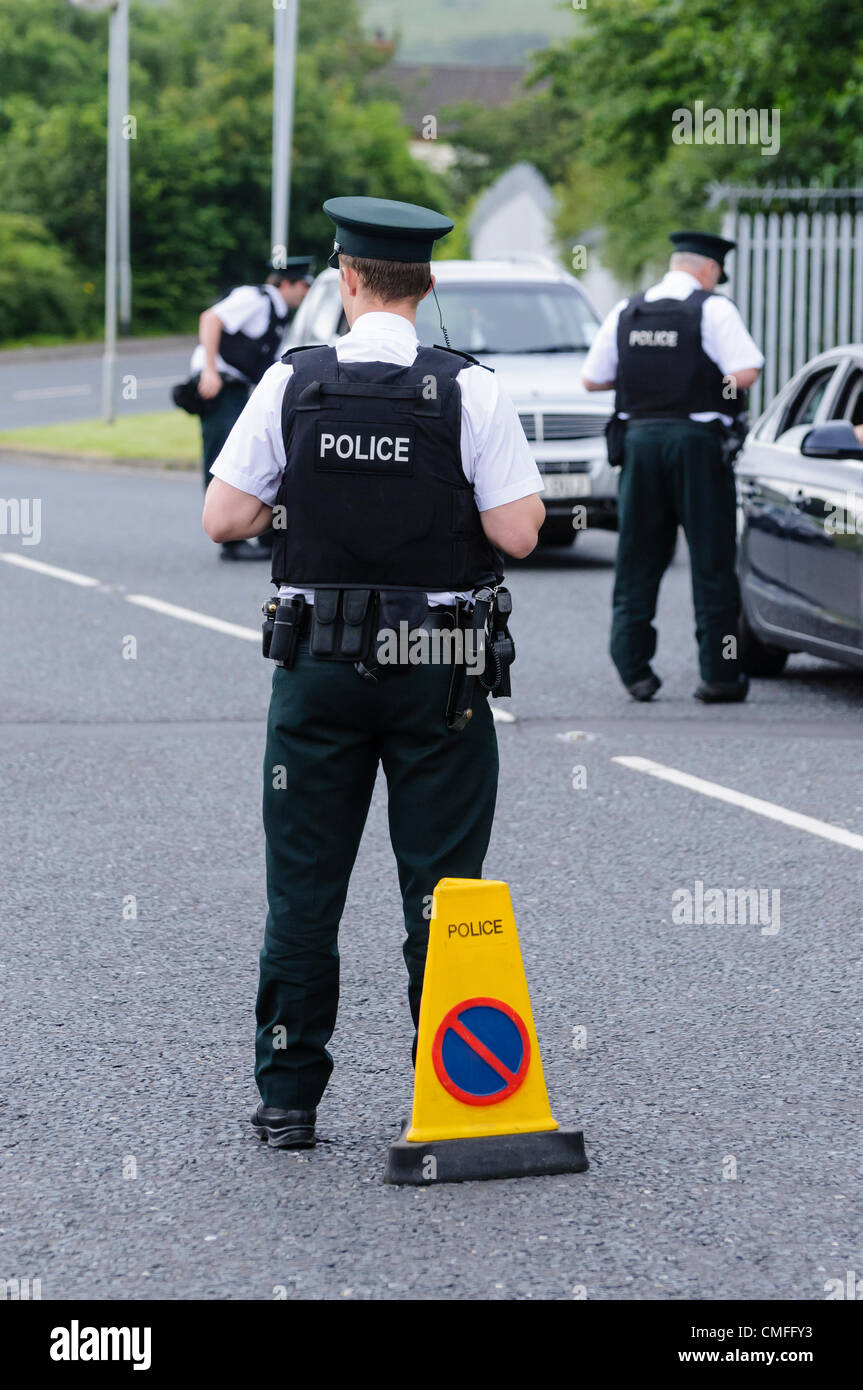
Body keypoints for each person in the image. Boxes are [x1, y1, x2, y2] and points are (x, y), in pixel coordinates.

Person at [202, 195, 545, 1149]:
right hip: (437, 664)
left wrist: (305, 508)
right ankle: (450, 1092)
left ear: (346, 281)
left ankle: (287, 1099)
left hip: (316, 658)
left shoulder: (291, 384)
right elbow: (516, 532)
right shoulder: (467, 388)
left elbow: (222, 519)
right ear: (425, 282)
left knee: (304, 888)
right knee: (439, 891)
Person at [583, 231, 764, 703]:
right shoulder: (713, 308)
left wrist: (648, 384)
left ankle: (633, 669)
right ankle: (720, 676)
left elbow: (593, 378)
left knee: (637, 560)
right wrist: (708, 392)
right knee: (711, 560)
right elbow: (747, 369)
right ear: (708, 269)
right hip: (697, 447)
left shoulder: (628, 310)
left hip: (639, 443)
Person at [193, 258, 313, 560]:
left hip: (240, 388)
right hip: (220, 385)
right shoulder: (255, 298)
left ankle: (262, 535)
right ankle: (231, 541)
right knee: (224, 455)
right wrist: (210, 371)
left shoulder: (281, 313)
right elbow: (210, 318)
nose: (306, 292)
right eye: (303, 285)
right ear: (285, 283)